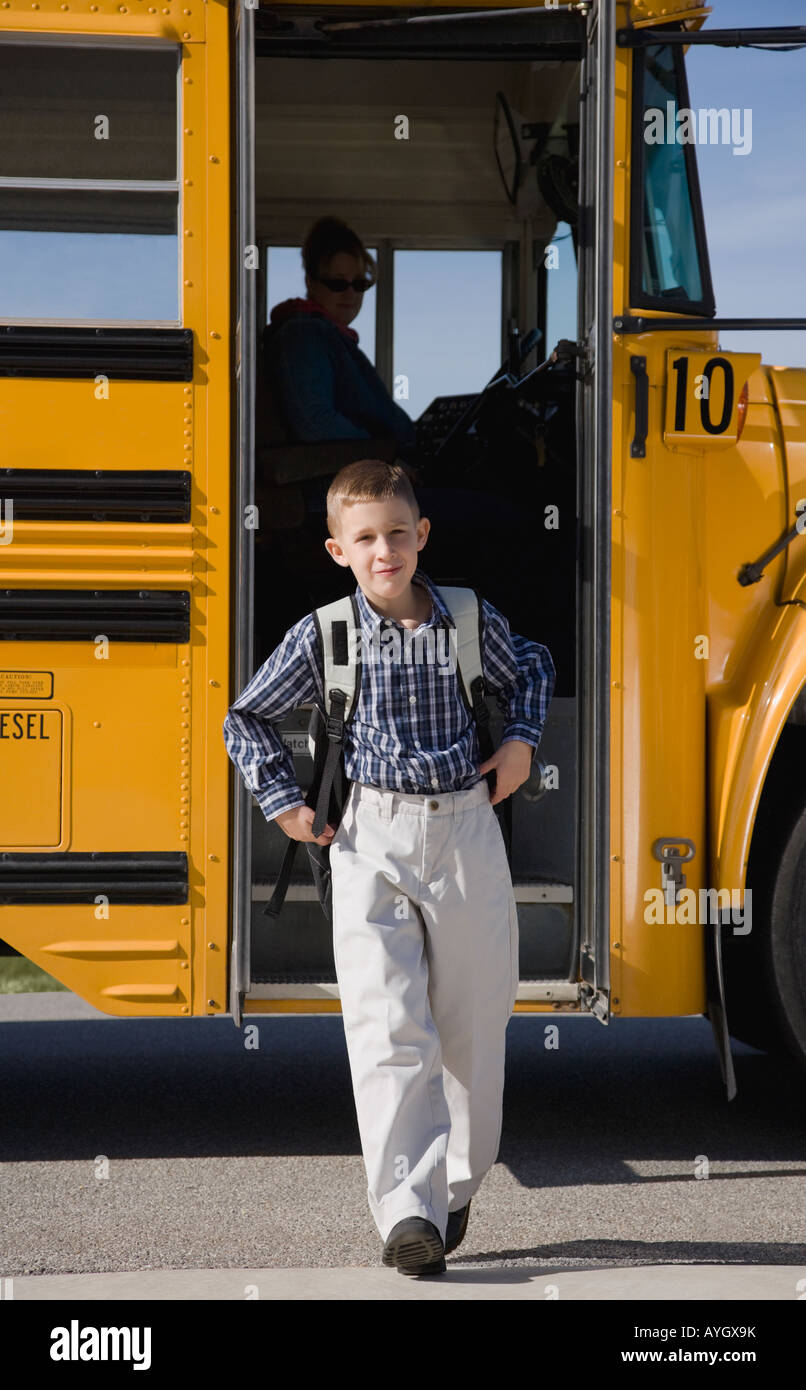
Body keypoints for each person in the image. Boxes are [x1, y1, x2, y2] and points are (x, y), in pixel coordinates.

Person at [223, 458, 556, 1276]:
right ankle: (409, 1213)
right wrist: (282, 804)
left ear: (422, 536)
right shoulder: (325, 634)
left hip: (466, 833)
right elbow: (247, 717)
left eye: (397, 534)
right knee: (385, 1027)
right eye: (364, 538)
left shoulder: (470, 620)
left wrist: (519, 742)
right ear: (338, 549)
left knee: (474, 1029)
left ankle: (455, 1184)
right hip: (370, 838)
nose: (384, 551)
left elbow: (536, 668)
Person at [265, 216, 417, 456]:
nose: (350, 294)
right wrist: (384, 460)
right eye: (337, 284)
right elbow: (315, 423)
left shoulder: (334, 338)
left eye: (359, 284)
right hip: (350, 486)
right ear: (311, 283)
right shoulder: (304, 335)